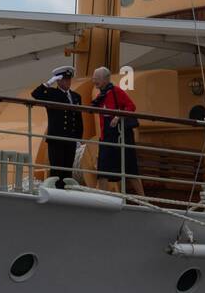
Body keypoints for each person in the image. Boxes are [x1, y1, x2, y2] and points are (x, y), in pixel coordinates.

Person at [92, 66, 143, 196]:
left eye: (97, 78)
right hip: (106, 136)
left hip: (120, 136)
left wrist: (118, 115)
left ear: (105, 79)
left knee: (130, 169)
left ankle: (143, 199)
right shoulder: (100, 96)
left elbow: (131, 106)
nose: (94, 80)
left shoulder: (116, 91)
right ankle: (101, 197)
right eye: (94, 77)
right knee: (103, 169)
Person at [31, 65, 83, 187]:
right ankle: (56, 191)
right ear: (58, 80)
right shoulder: (52, 93)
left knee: (67, 170)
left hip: (70, 138)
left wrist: (79, 139)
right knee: (57, 170)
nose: (68, 82)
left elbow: (78, 118)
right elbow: (35, 94)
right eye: (64, 79)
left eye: (69, 79)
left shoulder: (76, 96)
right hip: (57, 138)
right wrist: (49, 82)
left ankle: (66, 193)